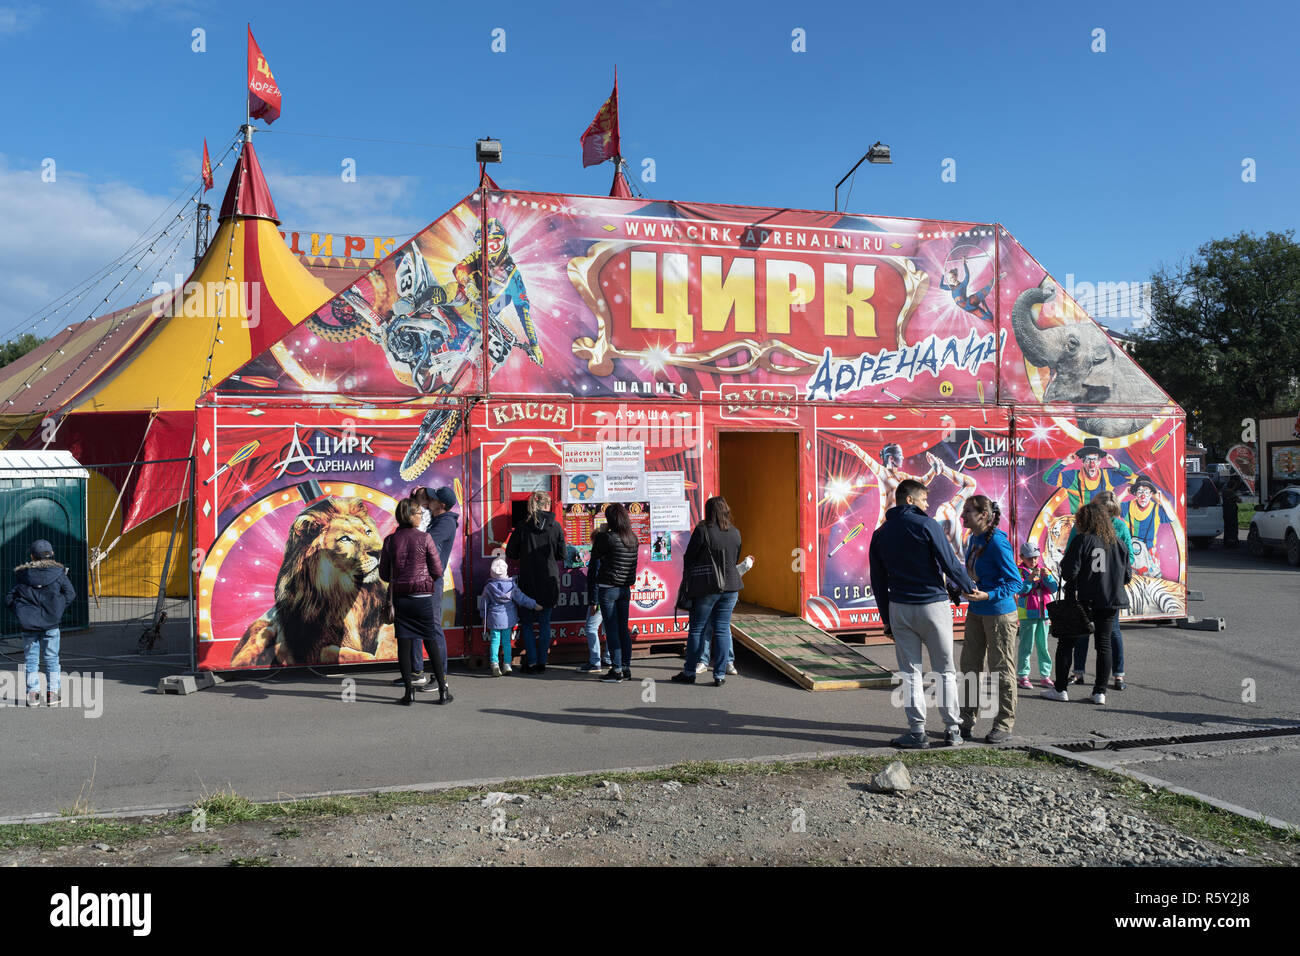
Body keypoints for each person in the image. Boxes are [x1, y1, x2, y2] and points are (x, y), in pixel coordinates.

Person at [867, 479, 977, 748]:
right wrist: (968, 587)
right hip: (933, 607)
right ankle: (952, 730)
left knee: (910, 673)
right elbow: (950, 562)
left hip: (900, 608)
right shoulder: (928, 525)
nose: (928, 505)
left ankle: (917, 732)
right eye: (925, 500)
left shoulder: (880, 534)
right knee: (944, 671)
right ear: (910, 500)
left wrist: (886, 619)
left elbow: (878, 581)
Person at [1043, 499, 1130, 705]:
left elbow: (1069, 572)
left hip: (1083, 599)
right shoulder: (1119, 543)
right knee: (1104, 645)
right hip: (1111, 600)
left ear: (1086, 520)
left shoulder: (1082, 541)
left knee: (1067, 642)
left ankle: (1061, 689)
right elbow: (1126, 576)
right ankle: (1099, 692)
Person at [957, 496, 1023, 744]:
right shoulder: (973, 538)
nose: (963, 516)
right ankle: (966, 719)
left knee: (1001, 669)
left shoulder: (996, 542)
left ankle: (1004, 723)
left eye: (968, 512)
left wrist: (990, 594)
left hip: (999, 614)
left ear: (983, 515)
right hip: (977, 611)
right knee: (969, 666)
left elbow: (1016, 581)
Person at [379, 498, 450, 705]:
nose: (421, 515)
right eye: (418, 512)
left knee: (404, 644)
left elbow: (384, 573)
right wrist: (425, 581)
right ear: (410, 515)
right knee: (431, 642)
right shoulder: (425, 538)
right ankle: (443, 692)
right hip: (423, 599)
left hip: (401, 599)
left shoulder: (390, 541)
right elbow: (437, 570)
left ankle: (409, 693)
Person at [673, 496, 743, 687]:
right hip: (731, 587)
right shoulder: (735, 532)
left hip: (707, 586)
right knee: (721, 629)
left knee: (696, 629)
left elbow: (689, 557)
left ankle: (689, 672)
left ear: (708, 511)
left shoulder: (703, 530)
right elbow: (735, 558)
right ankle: (719, 675)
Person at [1066, 490, 1132, 689]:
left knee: (1112, 633)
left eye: (1112, 513)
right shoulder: (1081, 528)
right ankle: (1079, 672)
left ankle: (1118, 674)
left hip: (1109, 589)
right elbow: (1071, 554)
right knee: (1082, 632)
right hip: (1087, 589)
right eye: (1106, 512)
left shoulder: (1120, 527)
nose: (1109, 518)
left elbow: (1128, 558)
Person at [396, 486, 459, 690]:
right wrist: (416, 499)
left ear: (441, 505)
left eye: (432, 498)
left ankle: (442, 676)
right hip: (418, 578)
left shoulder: (446, 523)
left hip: (431, 580)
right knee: (412, 626)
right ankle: (416, 673)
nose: (428, 500)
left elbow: (422, 541)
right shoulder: (434, 517)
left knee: (432, 627)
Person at [5, 539, 75, 707]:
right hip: (51, 623)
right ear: (51, 554)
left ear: (31, 556)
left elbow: (9, 597)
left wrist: (21, 612)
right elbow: (70, 594)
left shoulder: (22, 575)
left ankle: (32, 694)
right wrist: (57, 608)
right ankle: (52, 694)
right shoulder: (59, 573)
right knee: (52, 658)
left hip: (28, 624)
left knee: (31, 659)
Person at [505, 490, 565, 673]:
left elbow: (511, 553)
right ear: (547, 505)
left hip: (528, 581)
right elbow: (561, 554)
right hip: (549, 580)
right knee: (545, 623)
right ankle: (542, 662)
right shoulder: (555, 527)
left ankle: (531, 662)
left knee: (528, 624)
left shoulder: (523, 526)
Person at [588, 504, 640, 683]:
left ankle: (616, 670)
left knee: (611, 630)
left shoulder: (607, 538)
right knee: (622, 629)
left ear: (610, 520)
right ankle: (625, 667)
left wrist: (602, 532)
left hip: (608, 588)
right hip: (625, 589)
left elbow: (594, 556)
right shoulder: (633, 538)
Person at [478, 558, 540, 676]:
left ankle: (494, 663)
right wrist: (534, 604)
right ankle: (507, 664)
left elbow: (484, 605)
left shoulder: (489, 587)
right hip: (507, 619)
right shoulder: (512, 586)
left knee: (495, 642)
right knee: (507, 642)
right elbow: (522, 598)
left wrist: (483, 616)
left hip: (494, 618)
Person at [1044, 439, 1134, 512]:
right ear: (1082, 461)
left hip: (1103, 527)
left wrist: (1116, 464)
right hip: (1080, 527)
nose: (1092, 464)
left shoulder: (1108, 476)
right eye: (1088, 459)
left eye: (1095, 459)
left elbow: (1129, 475)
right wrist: (1064, 462)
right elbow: (1048, 478)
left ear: (1099, 461)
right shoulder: (1073, 477)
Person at [1015, 541, 1057, 691]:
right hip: (1028, 614)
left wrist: (1049, 578)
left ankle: (1045, 676)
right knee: (1026, 646)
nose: (1033, 561)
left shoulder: (1043, 569)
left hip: (1044, 613)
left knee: (1043, 646)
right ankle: (1023, 675)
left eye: (1035, 557)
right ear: (1022, 557)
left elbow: (1053, 588)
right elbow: (1020, 590)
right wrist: (1029, 579)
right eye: (1029, 558)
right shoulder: (1019, 571)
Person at [578, 531, 611, 673]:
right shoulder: (609, 555)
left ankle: (595, 661)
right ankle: (608, 658)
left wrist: (594, 602)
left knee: (591, 628)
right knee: (609, 628)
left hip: (599, 598)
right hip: (611, 596)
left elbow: (595, 580)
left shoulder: (597, 558)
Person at [1222, 474, 1244, 549]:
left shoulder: (1224, 491)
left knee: (1227, 527)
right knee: (1233, 527)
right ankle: (1233, 542)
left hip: (1225, 511)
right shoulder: (1231, 492)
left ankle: (1227, 541)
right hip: (1232, 512)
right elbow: (1239, 501)